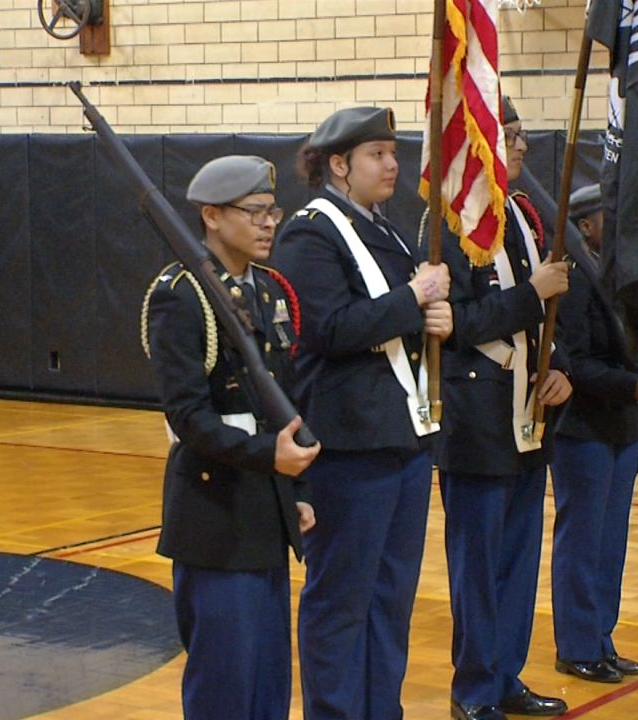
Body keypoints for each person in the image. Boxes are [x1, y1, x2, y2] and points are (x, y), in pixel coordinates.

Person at [274, 106, 453, 720]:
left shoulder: (387, 229)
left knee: (390, 599)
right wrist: (414, 297)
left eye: (394, 152)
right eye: (377, 154)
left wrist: (437, 317)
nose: (392, 164)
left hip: (401, 439)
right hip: (348, 447)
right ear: (338, 165)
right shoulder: (310, 233)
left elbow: (402, 321)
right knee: (341, 601)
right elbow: (326, 327)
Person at [144, 155, 320, 720]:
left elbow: (281, 407)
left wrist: (297, 493)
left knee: (269, 682)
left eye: (273, 210)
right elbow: (190, 418)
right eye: (256, 212)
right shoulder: (182, 295)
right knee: (226, 683)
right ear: (212, 216)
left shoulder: (267, 290)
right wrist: (271, 456)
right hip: (215, 515)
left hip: (266, 514)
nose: (270, 223)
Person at [437, 96, 572, 720]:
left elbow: (541, 319)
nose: (521, 147)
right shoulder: (450, 223)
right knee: (478, 565)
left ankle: (506, 675)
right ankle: (475, 690)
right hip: (477, 419)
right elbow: (454, 324)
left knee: (519, 561)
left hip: (526, 412)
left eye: (521, 136)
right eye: (510, 135)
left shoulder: (520, 214)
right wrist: (530, 295)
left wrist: (560, 367)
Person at [550, 183, 638, 684]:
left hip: (621, 426)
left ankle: (602, 637)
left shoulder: (619, 274)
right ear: (584, 226)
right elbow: (573, 364)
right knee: (582, 541)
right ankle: (577, 645)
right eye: (608, 216)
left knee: (610, 542)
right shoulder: (573, 279)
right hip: (583, 427)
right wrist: (631, 384)